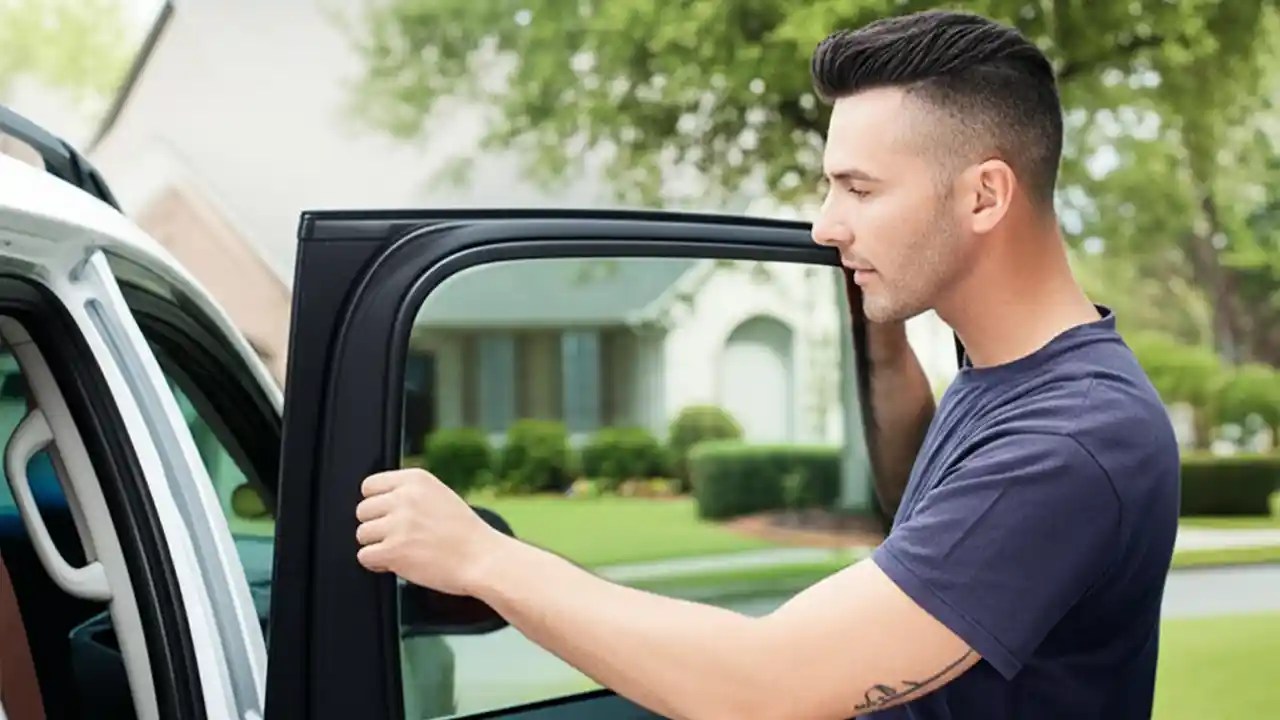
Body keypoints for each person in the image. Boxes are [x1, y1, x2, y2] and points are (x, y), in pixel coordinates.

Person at [354, 9, 1180, 719]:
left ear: (984, 196)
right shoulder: (1010, 378)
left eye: (858, 190)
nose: (826, 226)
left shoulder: (1073, 442)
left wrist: (481, 558)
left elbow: (765, 691)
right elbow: (923, 495)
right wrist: (883, 341)